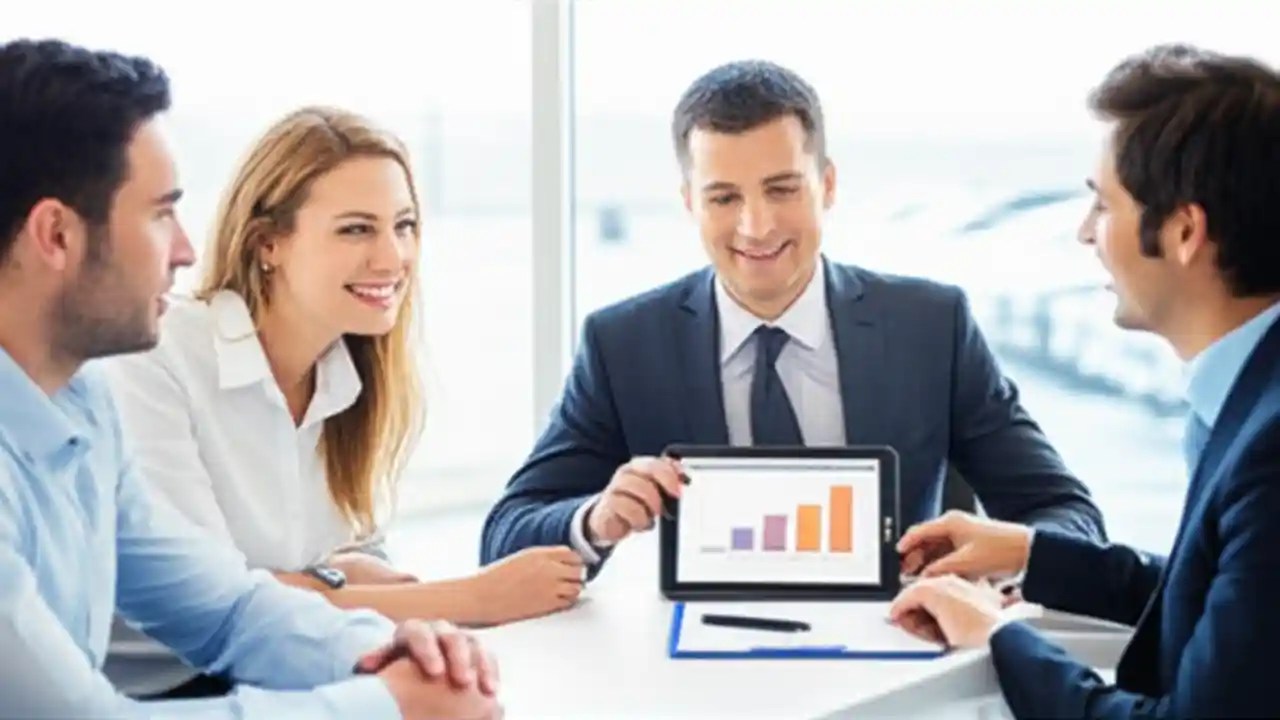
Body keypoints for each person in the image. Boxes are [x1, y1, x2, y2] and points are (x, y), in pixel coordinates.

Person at [0, 38, 501, 719]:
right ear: (56, 235)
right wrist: (386, 708)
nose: (185, 250)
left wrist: (382, 651)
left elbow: (224, 607)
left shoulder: (82, 405)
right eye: (158, 214)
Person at [480, 59, 1105, 575]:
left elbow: (1063, 512)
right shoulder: (623, 345)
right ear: (689, 203)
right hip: (694, 671)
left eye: (782, 189)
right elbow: (505, 534)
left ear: (826, 185)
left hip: (899, 655)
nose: (757, 226)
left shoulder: (932, 327)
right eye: (724, 197)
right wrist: (595, 518)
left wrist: (1000, 562)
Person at [100, 106, 583, 699]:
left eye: (403, 226)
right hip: (156, 694)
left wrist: (323, 580)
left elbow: (349, 559)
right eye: (357, 229)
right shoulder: (160, 357)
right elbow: (210, 601)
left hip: (275, 675)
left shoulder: (345, 376)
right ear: (268, 242)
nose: (392, 258)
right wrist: (477, 596)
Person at [889, 44, 1280, 719]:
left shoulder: (1270, 448)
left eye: (1103, 207)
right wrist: (1033, 554)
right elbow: (1226, 605)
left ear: (1185, 231)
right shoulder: (1251, 393)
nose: (1083, 233)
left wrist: (1000, 636)